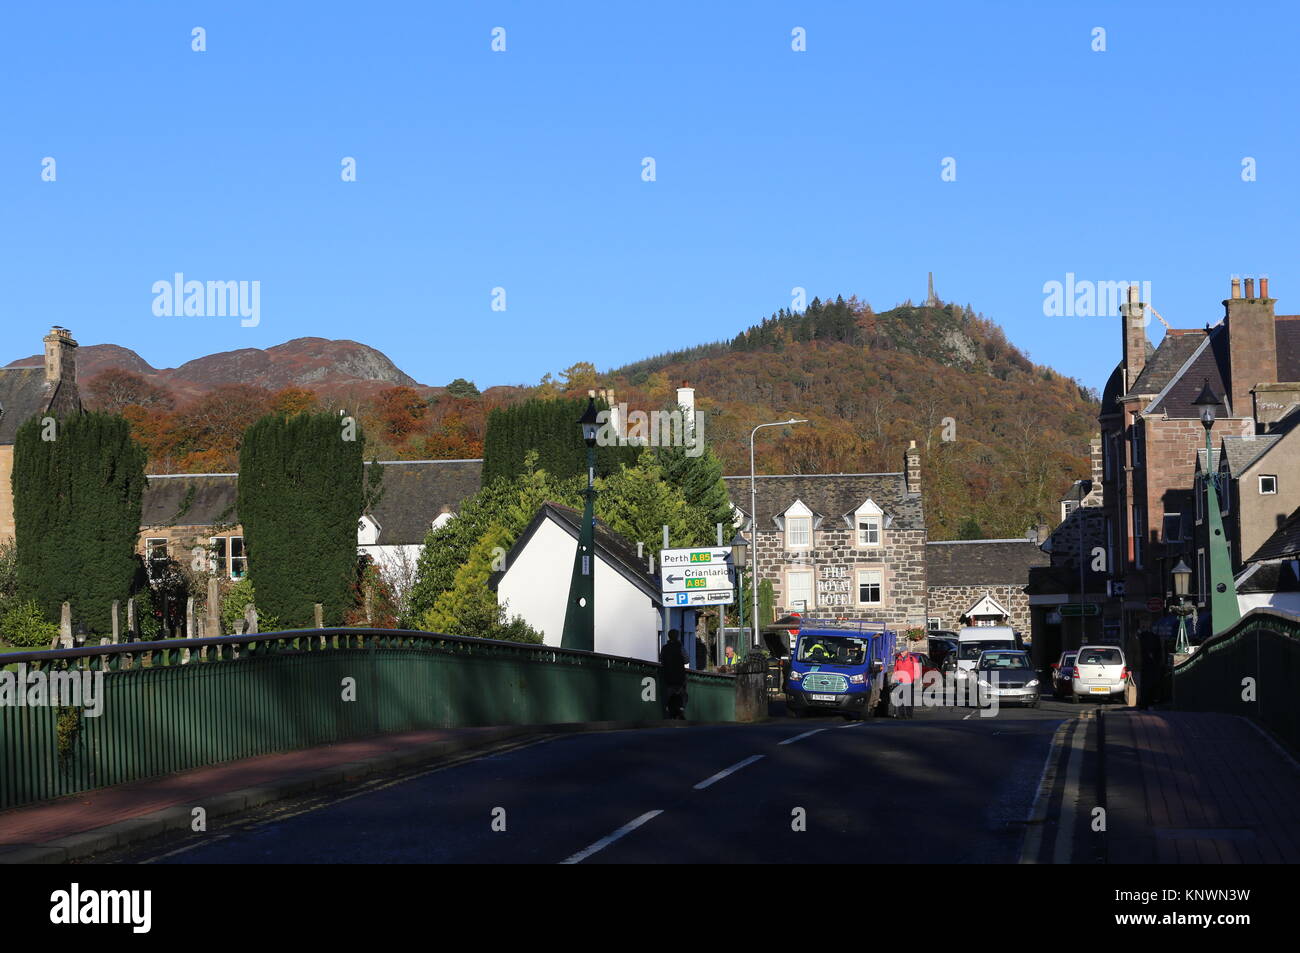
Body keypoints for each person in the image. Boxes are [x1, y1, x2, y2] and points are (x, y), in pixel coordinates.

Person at [660, 629, 688, 719]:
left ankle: (667, 711)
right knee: (683, 694)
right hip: (679, 676)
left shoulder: (664, 648)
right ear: (677, 636)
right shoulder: (680, 647)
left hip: (668, 676)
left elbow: (662, 660)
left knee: (667, 695)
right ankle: (681, 709)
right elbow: (687, 659)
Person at [1137, 628, 1164, 709]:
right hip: (1153, 666)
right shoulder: (1156, 639)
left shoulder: (1141, 638)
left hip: (1145, 666)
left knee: (1145, 686)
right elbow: (1159, 654)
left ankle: (1144, 704)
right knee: (1151, 685)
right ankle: (1150, 702)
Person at [892, 650, 920, 719]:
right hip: (900, 682)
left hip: (909, 682)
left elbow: (917, 670)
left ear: (906, 651)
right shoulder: (898, 659)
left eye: (903, 652)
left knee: (909, 700)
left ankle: (909, 715)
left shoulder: (912, 659)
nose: (901, 653)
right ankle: (901, 715)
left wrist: (916, 679)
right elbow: (896, 669)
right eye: (900, 652)